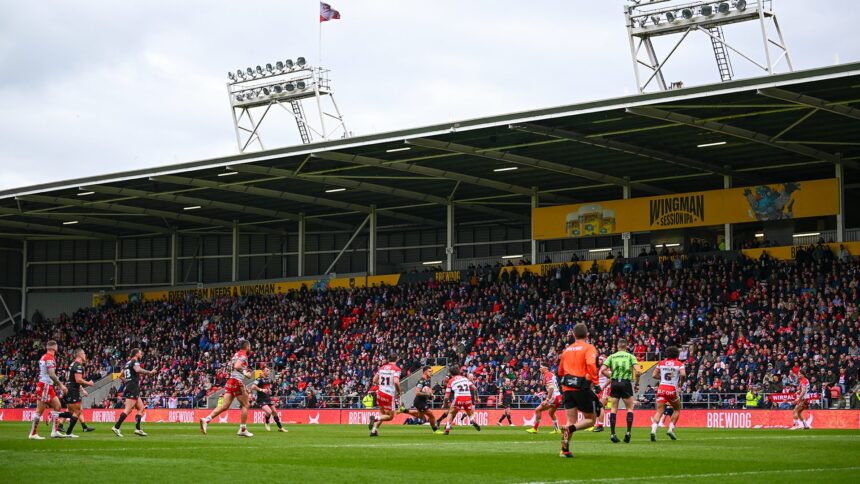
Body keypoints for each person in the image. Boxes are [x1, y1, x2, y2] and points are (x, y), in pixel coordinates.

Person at [557, 323, 600, 458]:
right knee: (590, 420)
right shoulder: (589, 348)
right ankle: (571, 429)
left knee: (570, 419)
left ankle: (564, 449)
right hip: (581, 387)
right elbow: (591, 365)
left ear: (574, 335)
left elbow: (560, 371)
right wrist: (596, 382)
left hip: (566, 388)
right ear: (587, 334)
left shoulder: (566, 350)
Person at [200, 340, 255, 437]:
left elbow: (233, 366)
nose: (250, 348)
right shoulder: (243, 355)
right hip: (237, 381)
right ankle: (243, 429)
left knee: (225, 406)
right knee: (246, 405)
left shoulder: (236, 354)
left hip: (231, 381)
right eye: (249, 346)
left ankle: (206, 419)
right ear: (247, 346)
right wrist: (245, 373)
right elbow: (237, 366)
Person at [28, 340, 72, 439]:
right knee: (40, 410)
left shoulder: (44, 357)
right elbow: (51, 374)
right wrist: (61, 385)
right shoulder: (49, 358)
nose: (57, 348)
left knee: (57, 406)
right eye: (56, 346)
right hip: (45, 385)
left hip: (47, 386)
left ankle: (54, 432)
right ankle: (33, 433)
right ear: (53, 347)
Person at [601, 338, 640, 443]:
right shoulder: (631, 356)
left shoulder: (612, 356)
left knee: (614, 408)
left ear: (618, 346)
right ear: (626, 346)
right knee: (629, 409)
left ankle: (613, 434)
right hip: (626, 383)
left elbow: (602, 370)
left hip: (614, 383)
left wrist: (612, 376)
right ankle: (628, 433)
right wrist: (637, 384)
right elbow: (638, 371)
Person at [112, 348, 157, 437]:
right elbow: (137, 370)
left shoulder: (127, 363)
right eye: (140, 353)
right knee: (128, 409)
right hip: (133, 387)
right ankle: (116, 427)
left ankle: (138, 429)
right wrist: (150, 372)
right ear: (136, 354)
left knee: (141, 408)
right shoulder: (135, 362)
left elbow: (120, 375)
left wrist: (128, 381)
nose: (141, 355)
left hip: (131, 386)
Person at [650, 346, 685, 441]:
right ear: (677, 354)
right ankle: (671, 429)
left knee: (659, 411)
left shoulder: (661, 363)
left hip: (661, 388)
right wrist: (680, 384)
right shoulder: (679, 364)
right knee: (677, 409)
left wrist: (661, 379)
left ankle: (653, 430)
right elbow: (683, 374)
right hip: (671, 389)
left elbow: (653, 375)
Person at [62, 348, 95, 437]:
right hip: (73, 390)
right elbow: (78, 380)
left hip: (70, 389)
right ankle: (55, 416)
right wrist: (89, 383)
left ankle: (68, 430)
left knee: (74, 412)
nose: (85, 355)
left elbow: (72, 379)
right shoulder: (78, 366)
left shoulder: (72, 364)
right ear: (80, 355)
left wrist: (82, 389)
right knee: (78, 411)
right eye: (84, 353)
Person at [439, 366, 481, 435]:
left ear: (451, 373)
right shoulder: (465, 378)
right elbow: (475, 388)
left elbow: (446, 397)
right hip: (468, 397)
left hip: (458, 398)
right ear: (458, 372)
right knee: (469, 412)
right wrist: (476, 398)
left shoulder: (451, 381)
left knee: (451, 413)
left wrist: (445, 404)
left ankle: (447, 429)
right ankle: (472, 420)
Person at [369, 354, 401, 437]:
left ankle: (373, 431)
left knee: (382, 414)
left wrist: (382, 386)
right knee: (390, 417)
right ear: (396, 359)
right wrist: (399, 392)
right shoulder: (396, 369)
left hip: (380, 393)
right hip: (389, 394)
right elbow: (396, 382)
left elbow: (374, 380)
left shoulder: (382, 368)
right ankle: (375, 419)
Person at [526, 364, 561, 434]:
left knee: (538, 410)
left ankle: (535, 428)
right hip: (558, 397)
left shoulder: (547, 375)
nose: (540, 369)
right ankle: (557, 429)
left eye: (541, 367)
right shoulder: (551, 375)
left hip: (553, 397)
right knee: (551, 413)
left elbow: (551, 388)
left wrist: (547, 399)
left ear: (546, 368)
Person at [402, 366, 438, 432]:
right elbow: (417, 393)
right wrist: (427, 394)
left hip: (423, 401)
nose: (431, 372)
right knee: (431, 414)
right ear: (424, 372)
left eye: (431, 371)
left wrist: (432, 395)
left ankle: (404, 410)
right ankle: (435, 430)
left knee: (420, 416)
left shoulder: (428, 379)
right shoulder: (421, 381)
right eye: (429, 371)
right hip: (419, 401)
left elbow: (429, 389)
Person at [250, 367, 286, 432]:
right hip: (261, 399)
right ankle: (267, 422)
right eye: (267, 371)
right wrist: (261, 389)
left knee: (274, 412)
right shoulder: (259, 379)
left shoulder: (268, 379)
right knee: (269, 411)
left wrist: (270, 390)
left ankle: (280, 428)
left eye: (269, 371)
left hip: (268, 398)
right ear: (263, 371)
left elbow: (273, 384)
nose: (268, 372)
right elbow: (252, 387)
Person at [592, 355, 610, 432]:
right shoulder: (601, 369)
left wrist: (603, 387)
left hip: (605, 389)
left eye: (600, 359)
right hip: (601, 390)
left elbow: (611, 379)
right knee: (598, 407)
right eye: (598, 359)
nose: (599, 360)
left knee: (600, 406)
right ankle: (599, 424)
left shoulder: (606, 369)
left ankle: (600, 425)